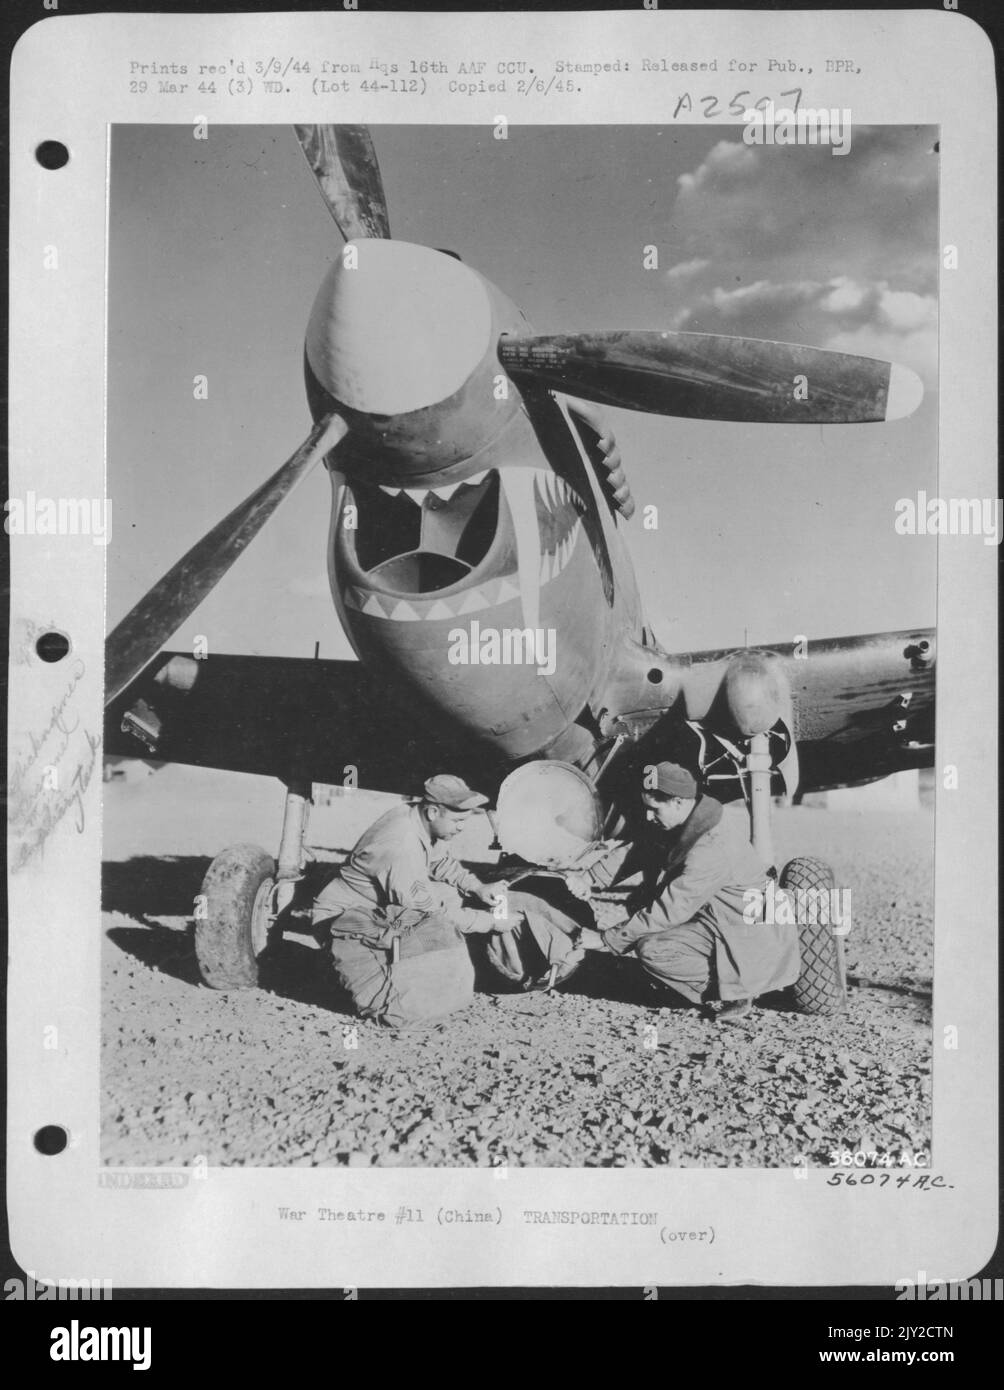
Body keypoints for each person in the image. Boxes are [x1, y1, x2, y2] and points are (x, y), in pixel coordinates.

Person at [567, 761, 799, 1023]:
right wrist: (590, 877)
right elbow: (640, 849)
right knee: (650, 932)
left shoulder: (710, 848)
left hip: (749, 938)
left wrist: (606, 939)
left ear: (678, 802)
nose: (648, 817)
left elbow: (671, 909)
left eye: (654, 809)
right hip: (723, 921)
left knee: (653, 950)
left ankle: (737, 989)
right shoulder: (689, 822)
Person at [312, 774, 513, 1028]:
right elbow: (433, 917)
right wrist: (490, 922)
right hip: (344, 922)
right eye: (458, 820)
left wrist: (478, 887)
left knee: (449, 894)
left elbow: (441, 862)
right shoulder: (401, 845)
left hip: (371, 908)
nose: (462, 827)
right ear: (432, 812)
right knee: (405, 998)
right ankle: (341, 973)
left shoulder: (416, 818)